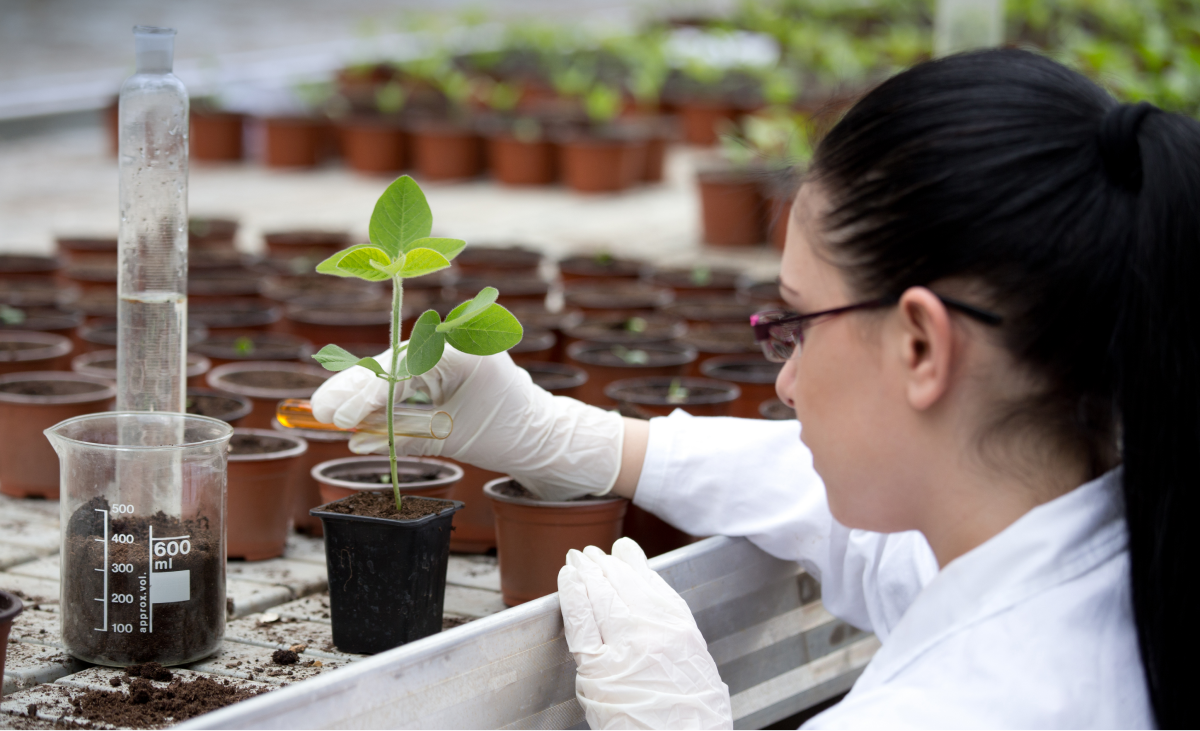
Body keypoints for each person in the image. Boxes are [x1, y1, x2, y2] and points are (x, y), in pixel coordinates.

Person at [311, 49, 1190, 730]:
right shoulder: (1116, 526)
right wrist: (573, 437)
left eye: (798, 323)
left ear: (921, 343)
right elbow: (863, 517)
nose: (786, 377)